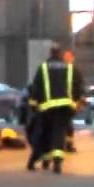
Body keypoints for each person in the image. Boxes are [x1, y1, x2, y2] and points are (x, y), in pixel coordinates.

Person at [27, 43, 84, 174]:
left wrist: (33, 105)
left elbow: (36, 88)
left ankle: (37, 160)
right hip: (65, 107)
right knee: (59, 133)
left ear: (50, 54)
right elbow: (78, 87)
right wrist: (76, 103)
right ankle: (57, 163)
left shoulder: (43, 68)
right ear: (60, 54)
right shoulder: (70, 68)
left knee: (45, 134)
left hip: (47, 108)